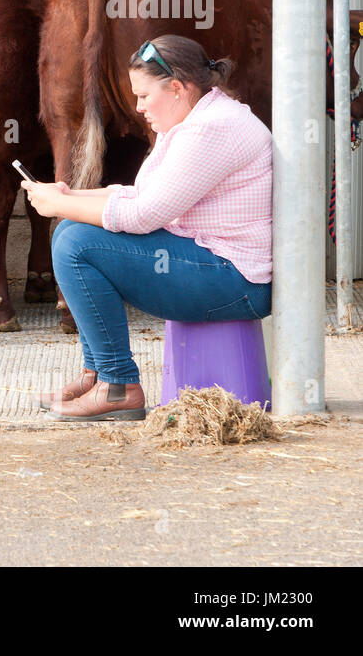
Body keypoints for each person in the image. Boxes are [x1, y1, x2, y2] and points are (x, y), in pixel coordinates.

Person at [21, 35, 273, 421]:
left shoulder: (210, 130)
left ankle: (118, 386)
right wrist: (72, 195)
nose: (138, 108)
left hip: (235, 282)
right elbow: (140, 195)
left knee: (77, 245)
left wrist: (58, 206)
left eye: (143, 96)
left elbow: (144, 215)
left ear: (176, 88)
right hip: (217, 266)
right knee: (71, 231)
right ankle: (98, 376)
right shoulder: (200, 119)